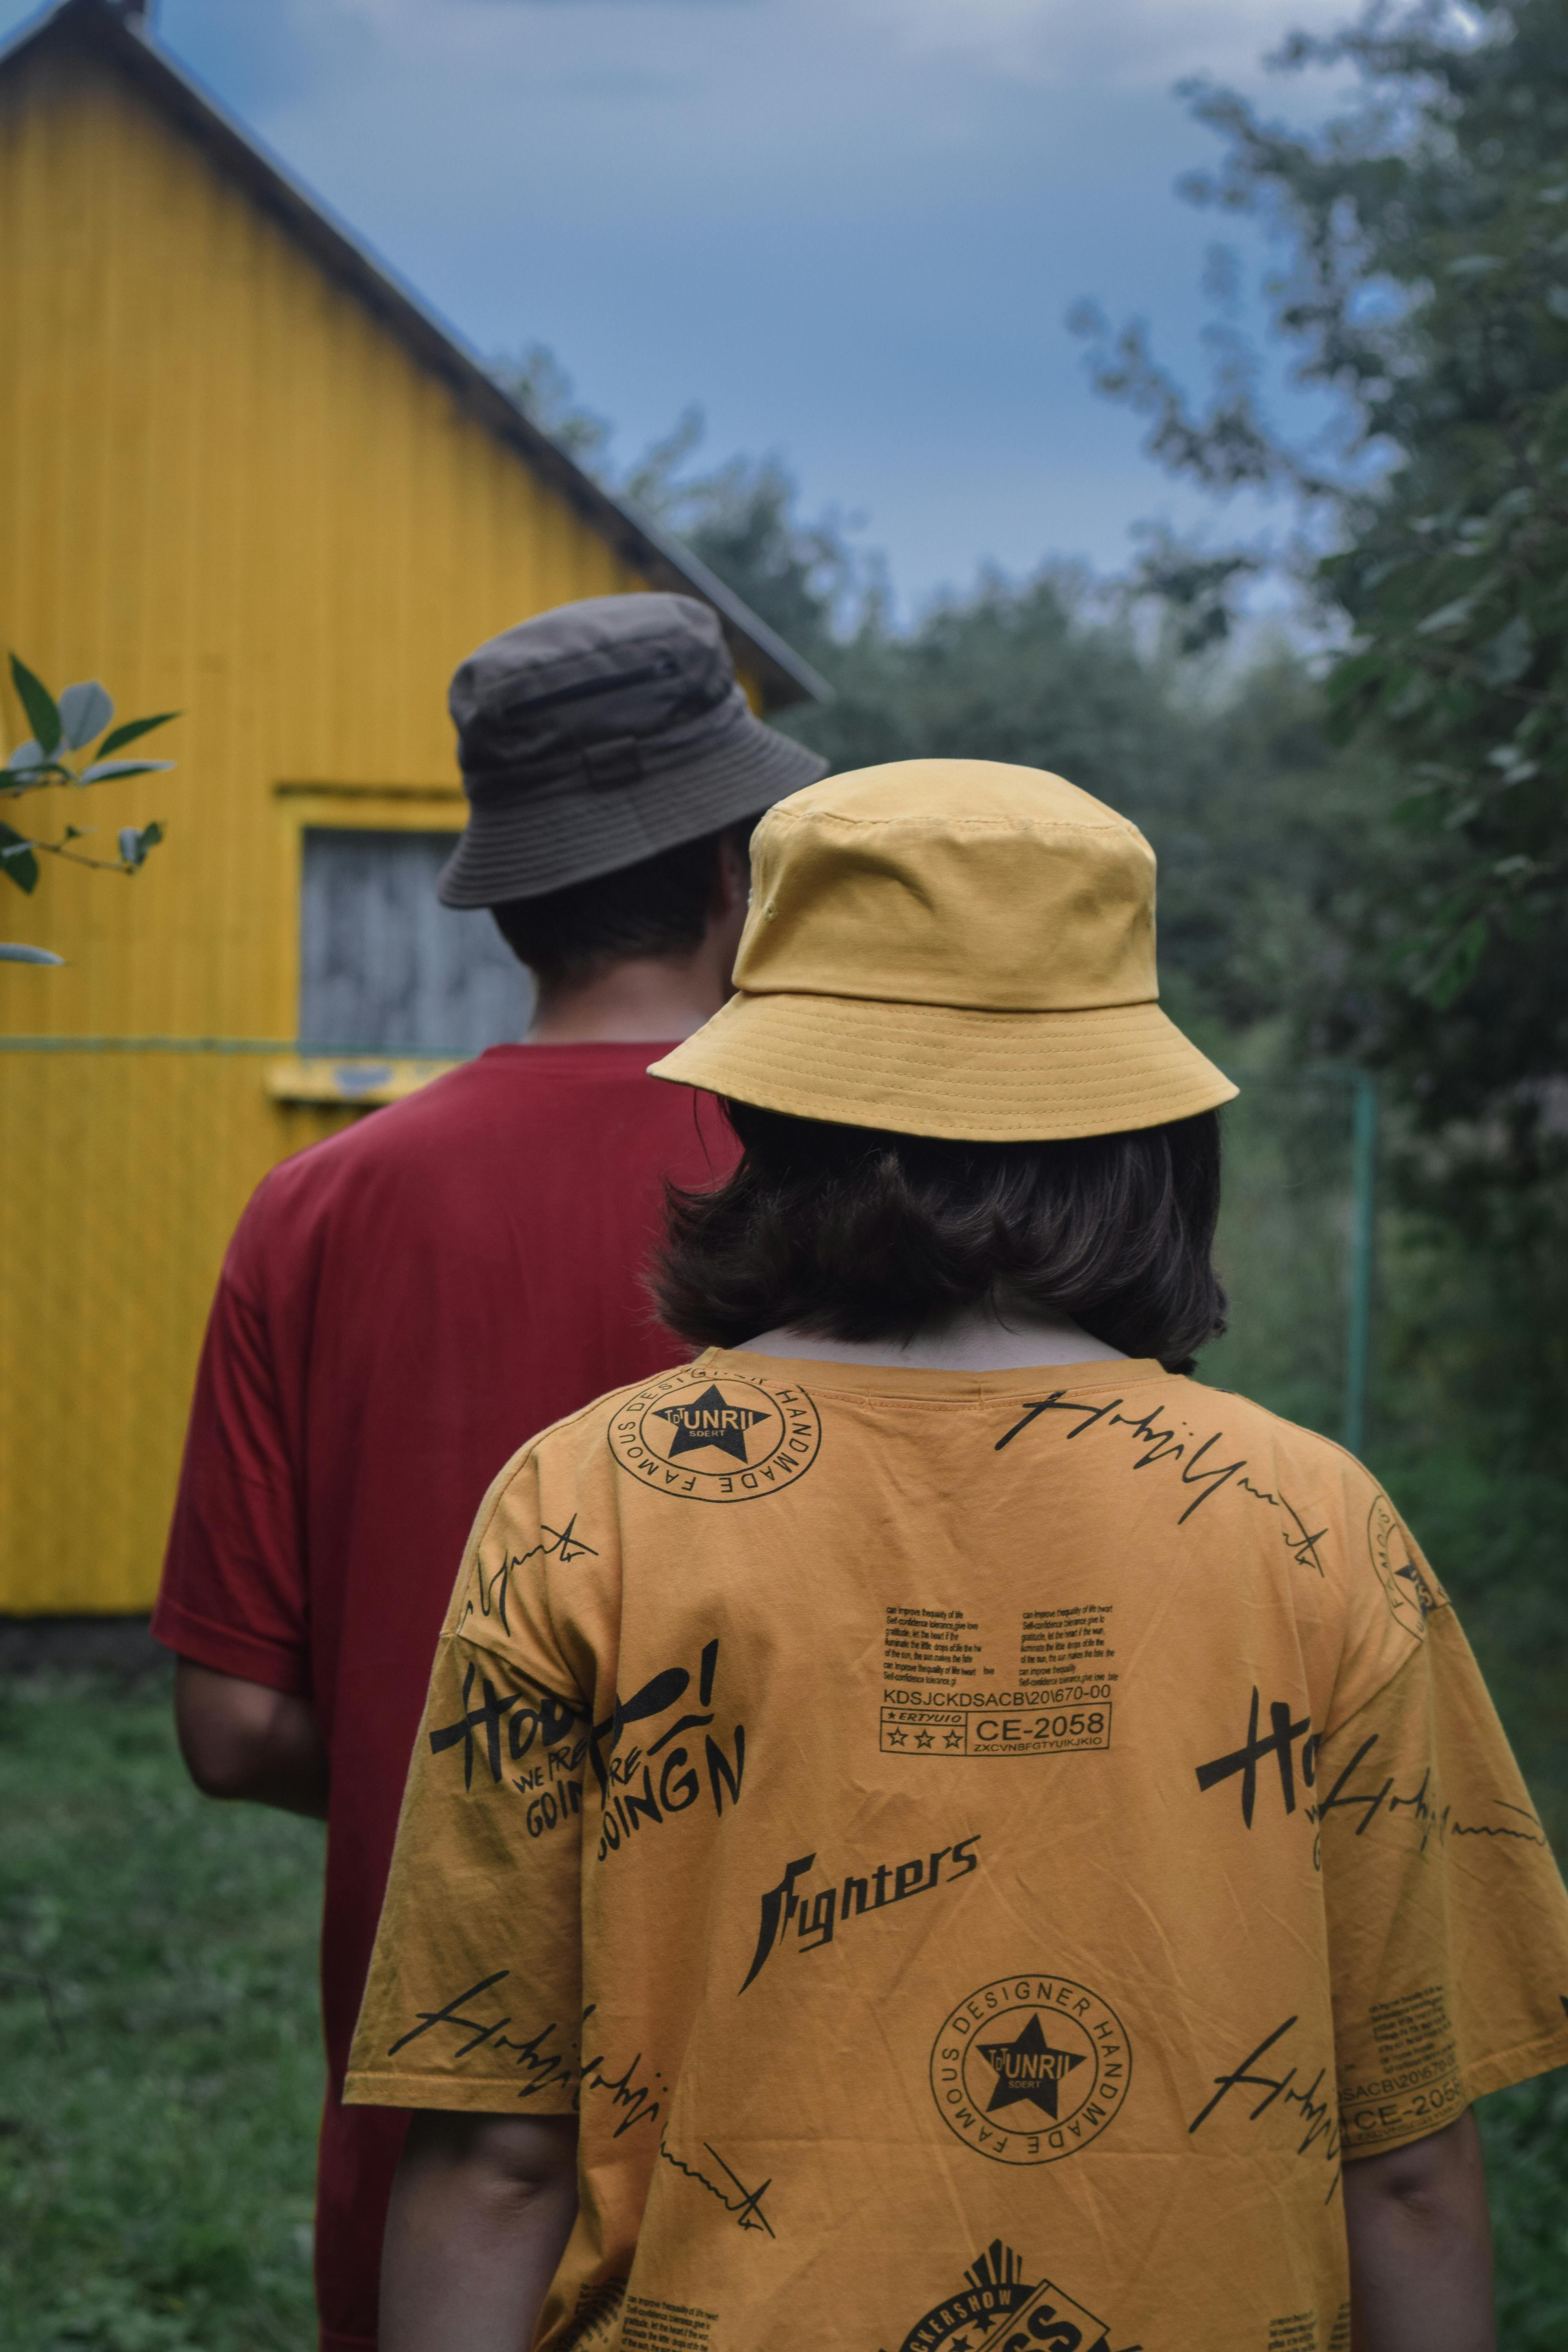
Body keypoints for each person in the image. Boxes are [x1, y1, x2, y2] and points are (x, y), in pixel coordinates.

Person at [345, 756, 1568, 2352]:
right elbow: (1403, 2164)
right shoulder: (1308, 1520)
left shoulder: (586, 1505)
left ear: (764, 1100)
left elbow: (497, 2156)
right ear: (1141, 1121)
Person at [152, 592, 827, 2352]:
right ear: (730, 869)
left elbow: (231, 1729)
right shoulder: (849, 1191)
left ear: (508, 895)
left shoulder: (313, 1209)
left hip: (438, 2160)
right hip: (811, 2122)